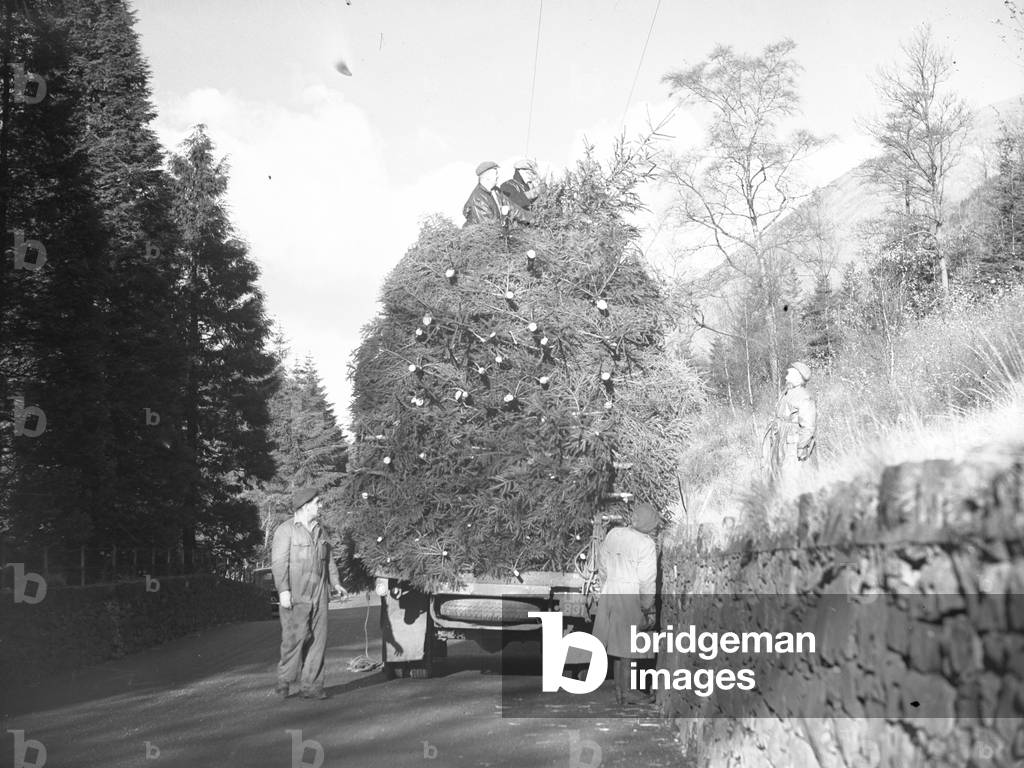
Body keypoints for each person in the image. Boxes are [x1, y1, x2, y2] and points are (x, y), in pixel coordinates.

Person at [271, 486, 346, 700]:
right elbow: (278, 563)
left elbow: (329, 559)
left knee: (318, 641)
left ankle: (311, 687)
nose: (320, 506)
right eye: (317, 503)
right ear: (305, 506)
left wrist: (336, 583)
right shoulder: (285, 530)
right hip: (296, 594)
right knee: (294, 639)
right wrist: (283, 591)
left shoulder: (321, 531)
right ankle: (284, 681)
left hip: (319, 594)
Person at [592, 502, 659, 706]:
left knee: (616, 643)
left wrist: (606, 585)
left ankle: (620, 691)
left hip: (611, 589)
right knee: (629, 645)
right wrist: (647, 606)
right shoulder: (646, 544)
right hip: (630, 593)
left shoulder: (614, 534)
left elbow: (601, 563)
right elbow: (647, 579)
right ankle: (628, 692)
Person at [761, 361, 818, 485]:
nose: (786, 377)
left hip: (793, 444)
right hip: (782, 442)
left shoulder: (805, 397)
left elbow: (808, 426)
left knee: (792, 478)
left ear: (798, 376)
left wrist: (802, 447)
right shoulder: (786, 394)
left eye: (789, 374)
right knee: (779, 476)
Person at [462, 160, 509, 226]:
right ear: (487, 177)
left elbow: (513, 208)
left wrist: (528, 217)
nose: (498, 176)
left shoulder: (496, 191)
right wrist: (504, 218)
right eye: (496, 174)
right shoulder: (478, 199)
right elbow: (489, 227)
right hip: (481, 235)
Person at [499, 159, 543, 224]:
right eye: (529, 172)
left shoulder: (529, 187)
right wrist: (535, 192)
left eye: (533, 173)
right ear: (520, 171)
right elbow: (514, 203)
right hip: (516, 228)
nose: (531, 175)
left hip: (532, 226)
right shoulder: (507, 185)